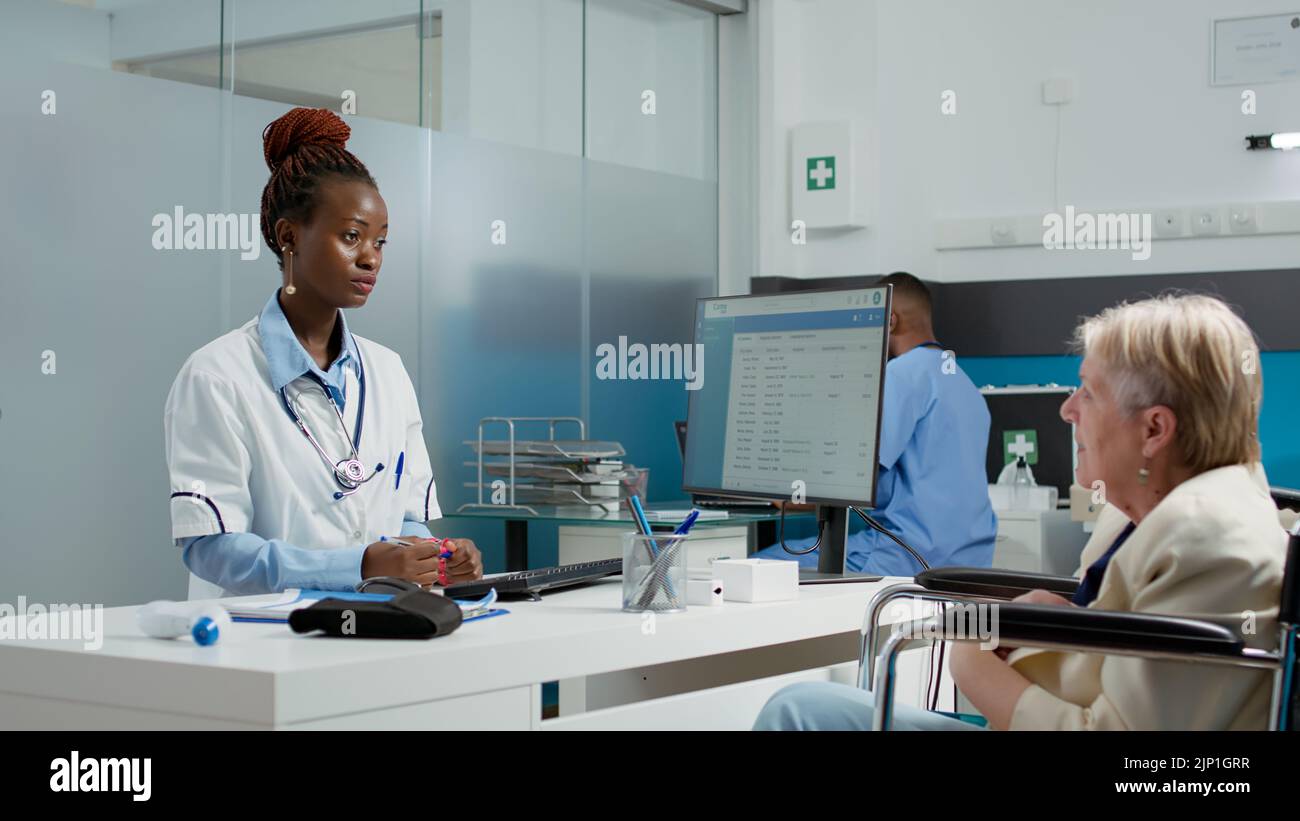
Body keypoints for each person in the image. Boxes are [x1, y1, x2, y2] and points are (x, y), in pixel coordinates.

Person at [755, 293, 1288, 730]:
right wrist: (1064, 616)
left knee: (799, 714)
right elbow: (1129, 641)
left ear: (1154, 430)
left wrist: (970, 653)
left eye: (1089, 393)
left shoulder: (1206, 540)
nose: (1067, 408)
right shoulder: (1142, 516)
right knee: (801, 707)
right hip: (1049, 690)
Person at [164, 107, 483, 598]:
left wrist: (436, 556)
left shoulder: (388, 371)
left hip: (381, 633)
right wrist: (354, 566)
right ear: (289, 236)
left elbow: (406, 520)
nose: (370, 257)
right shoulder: (217, 375)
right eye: (351, 236)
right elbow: (210, 547)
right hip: (263, 646)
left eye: (380, 241)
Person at [754, 272, 996, 575]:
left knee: (758, 566)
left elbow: (854, 483)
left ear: (890, 320)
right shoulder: (964, 383)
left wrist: (783, 498)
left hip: (905, 557)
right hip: (968, 562)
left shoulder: (901, 374)